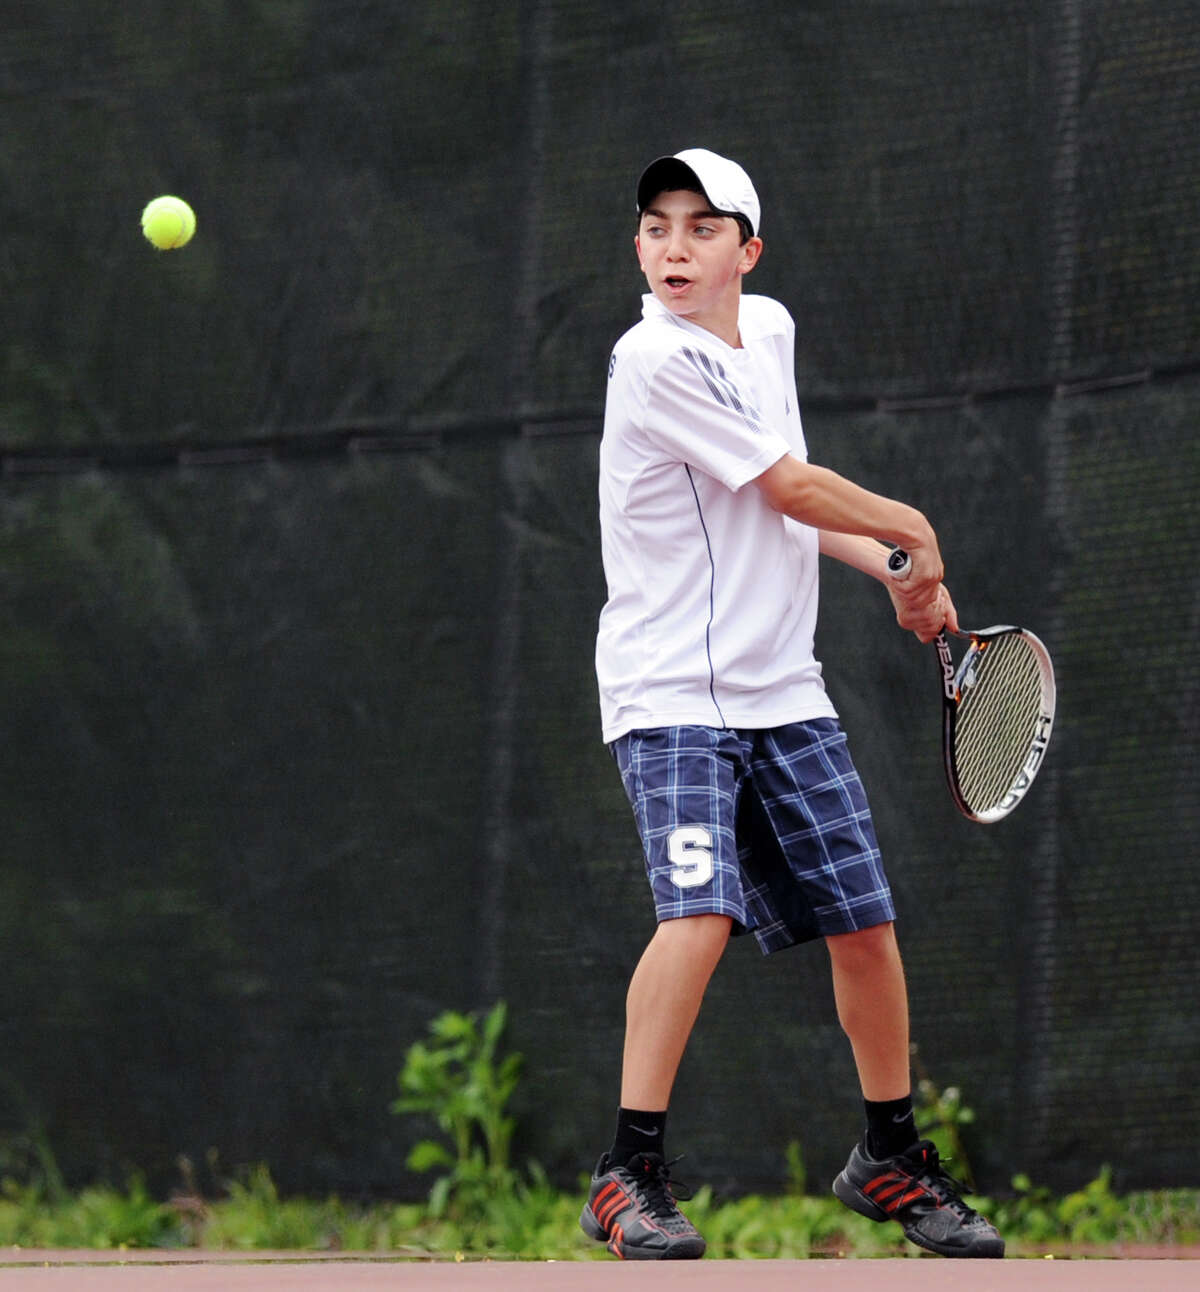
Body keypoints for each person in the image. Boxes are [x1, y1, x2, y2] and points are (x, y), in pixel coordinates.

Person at [578, 148, 1004, 1262]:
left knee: (863, 923)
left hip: (782, 688)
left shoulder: (765, 333)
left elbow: (786, 507)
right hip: (670, 689)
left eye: (703, 228)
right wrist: (911, 523)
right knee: (699, 911)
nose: (675, 247)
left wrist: (898, 571)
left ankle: (893, 1156)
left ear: (747, 250)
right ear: (638, 246)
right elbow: (786, 484)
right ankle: (629, 1173)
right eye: (657, 226)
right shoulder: (649, 358)